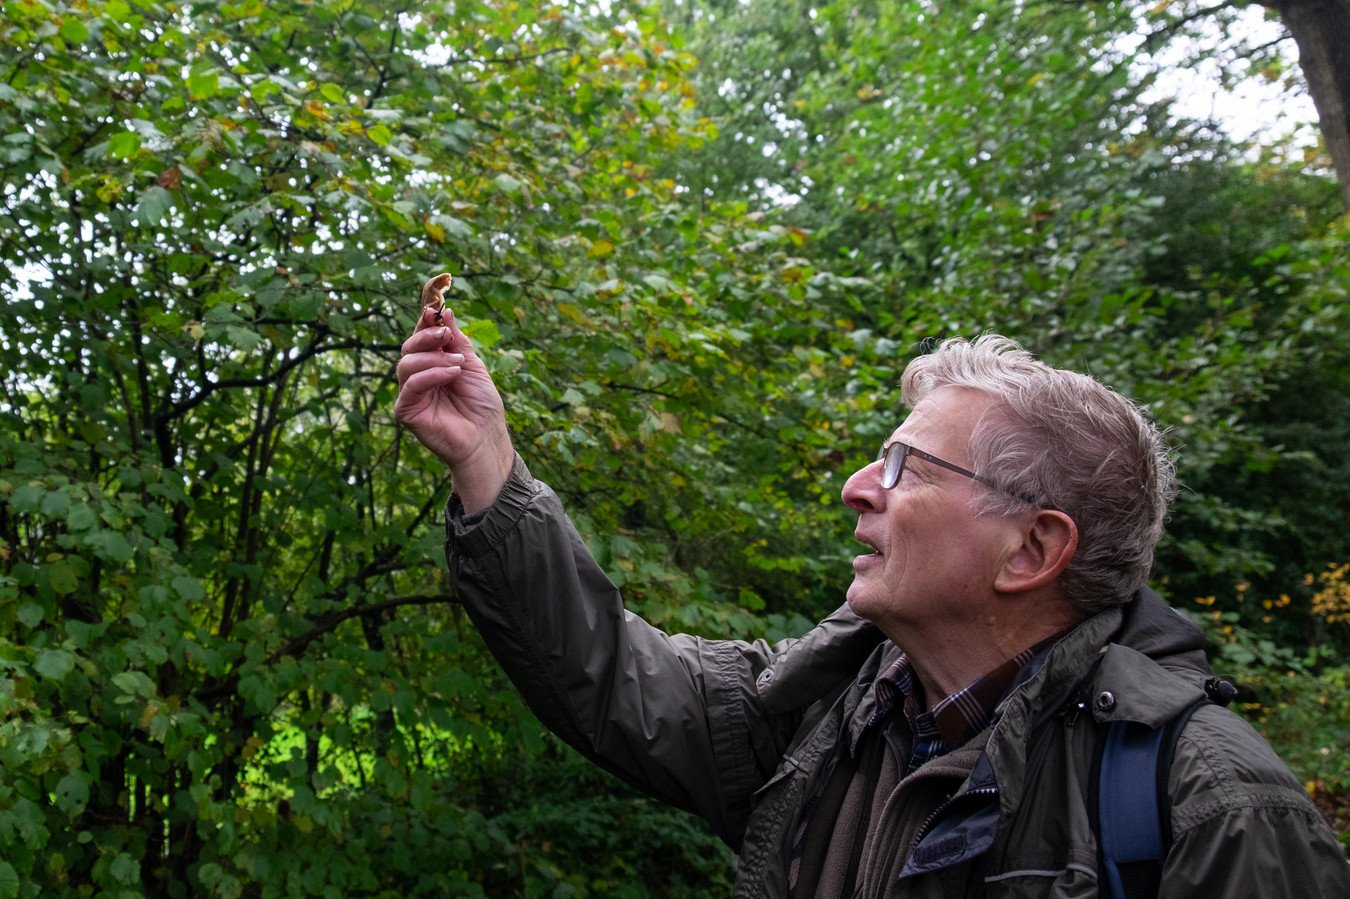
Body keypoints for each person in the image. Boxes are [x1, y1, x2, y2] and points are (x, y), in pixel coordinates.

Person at [395, 290, 1350, 898]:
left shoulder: (1213, 805)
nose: (856, 486)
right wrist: (488, 465)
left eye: (904, 466)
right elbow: (613, 676)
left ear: (1030, 548)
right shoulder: (827, 709)